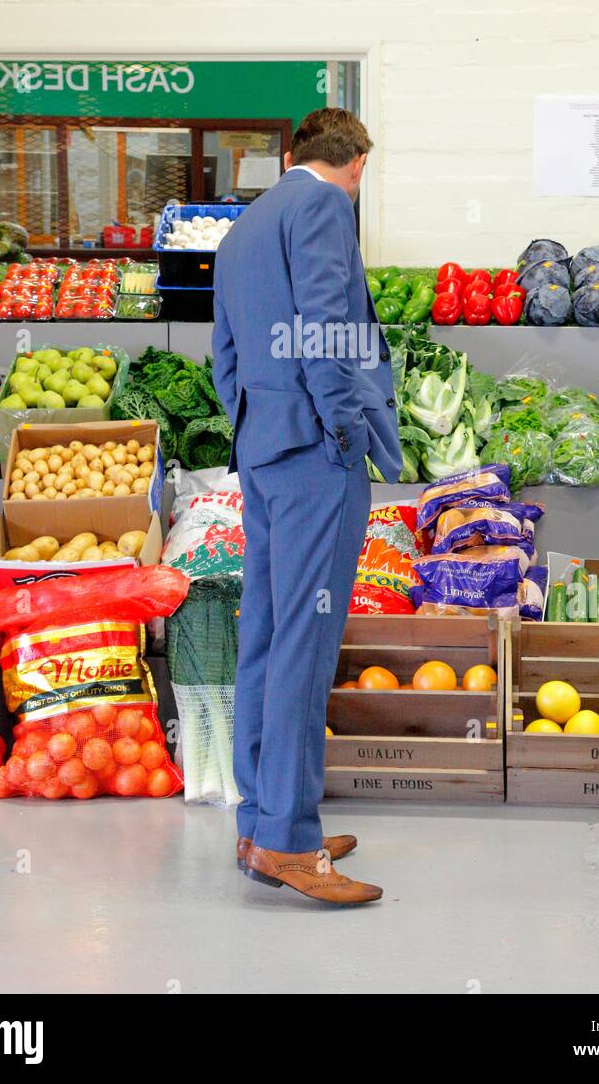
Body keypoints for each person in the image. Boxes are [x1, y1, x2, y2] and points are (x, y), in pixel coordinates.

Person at [212, 108, 401, 906]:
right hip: (315, 457)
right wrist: (340, 427)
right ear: (357, 163)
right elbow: (327, 329)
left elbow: (224, 352)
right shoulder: (324, 206)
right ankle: (291, 843)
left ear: (293, 154)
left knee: (265, 631)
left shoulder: (245, 225)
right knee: (306, 645)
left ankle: (262, 824)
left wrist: (260, 427)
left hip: (261, 449)